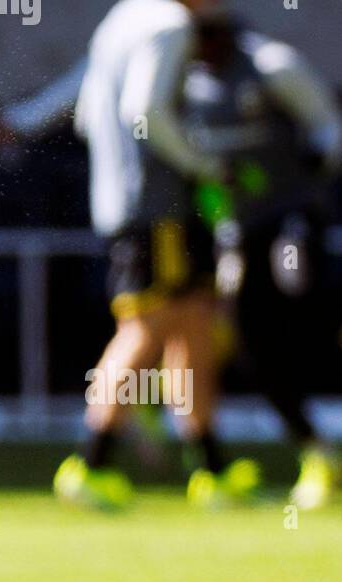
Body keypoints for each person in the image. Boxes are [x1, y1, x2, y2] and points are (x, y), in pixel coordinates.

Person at [48, 0, 257, 510]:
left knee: (192, 324)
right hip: (158, 209)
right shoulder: (168, 24)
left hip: (137, 205)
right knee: (146, 327)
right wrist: (204, 163)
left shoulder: (120, 20)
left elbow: (89, 119)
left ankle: (212, 469)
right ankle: (90, 463)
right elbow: (144, 112)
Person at [179, 12, 342, 509]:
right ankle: (317, 453)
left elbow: (328, 132)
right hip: (238, 231)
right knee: (251, 342)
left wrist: (310, 172)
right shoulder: (183, 82)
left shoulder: (272, 66)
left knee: (294, 285)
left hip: (291, 220)